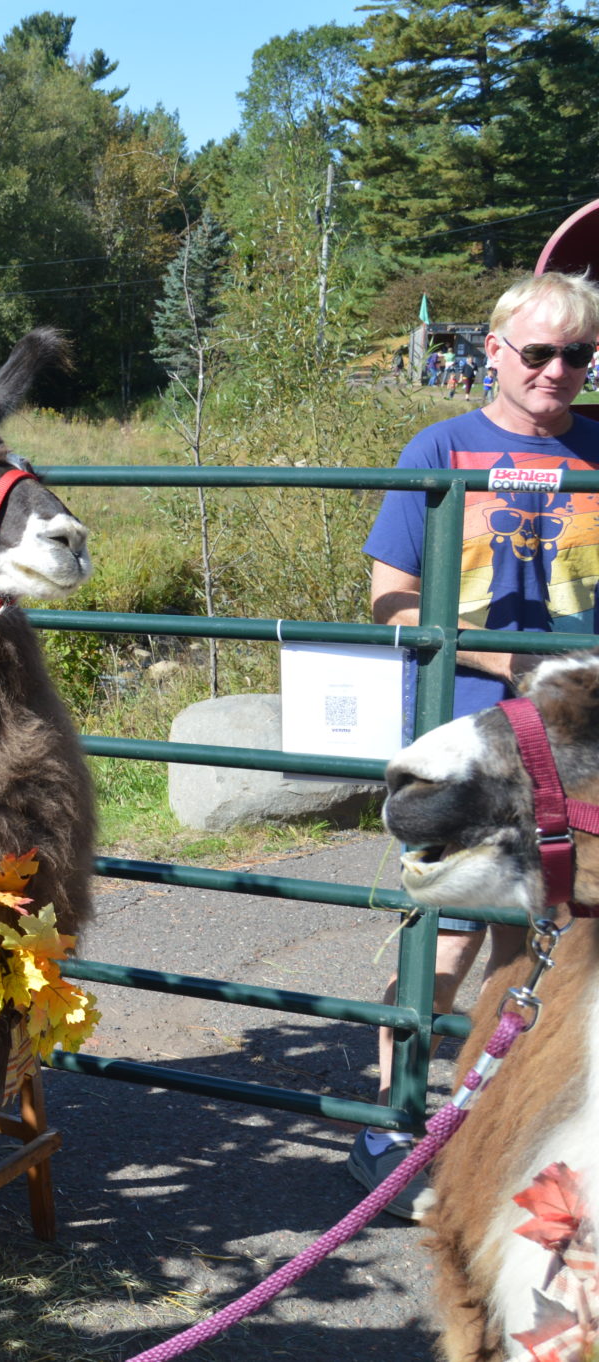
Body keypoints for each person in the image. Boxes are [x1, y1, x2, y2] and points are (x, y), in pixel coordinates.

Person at [356, 269, 599, 1219]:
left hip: (576, 744)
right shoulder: (442, 448)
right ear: (491, 351)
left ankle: (507, 1119)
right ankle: (397, 1122)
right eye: (536, 352)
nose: (556, 372)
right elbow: (389, 594)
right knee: (441, 932)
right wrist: (502, 660)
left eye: (577, 355)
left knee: (546, 934)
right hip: (472, 734)